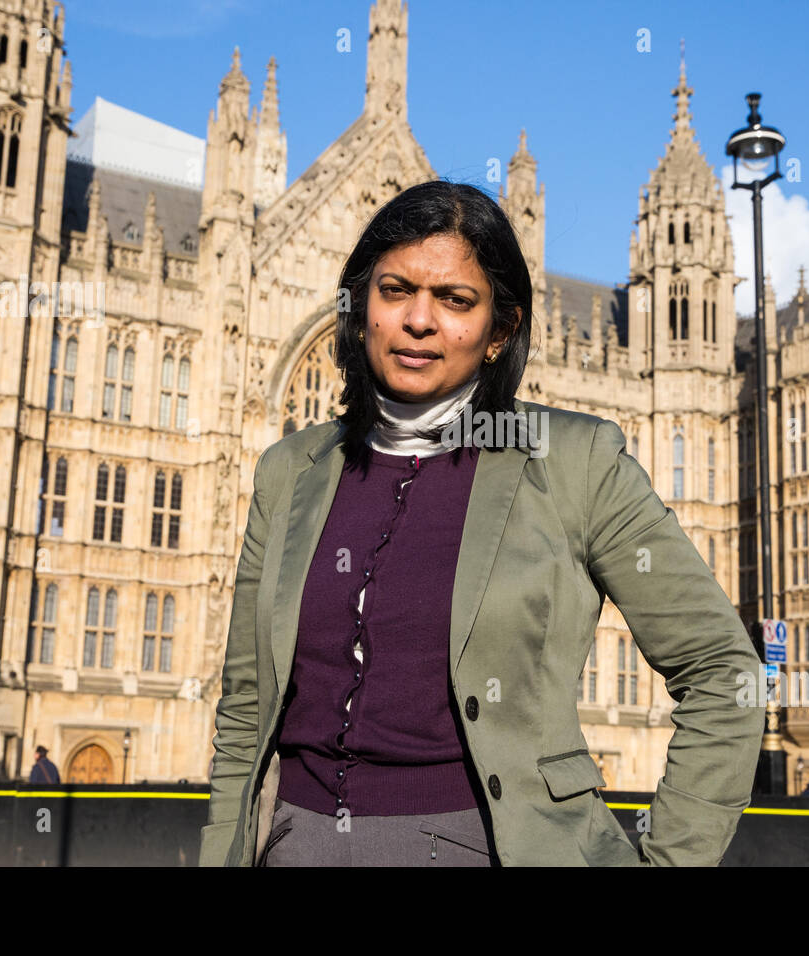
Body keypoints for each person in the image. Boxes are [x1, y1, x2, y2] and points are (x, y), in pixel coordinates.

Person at [200, 180, 763, 867]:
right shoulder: (289, 471)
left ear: (501, 332)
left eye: (456, 300)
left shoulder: (575, 462)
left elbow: (723, 670)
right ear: (358, 306)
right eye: (395, 290)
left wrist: (669, 860)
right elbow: (246, 707)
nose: (419, 320)